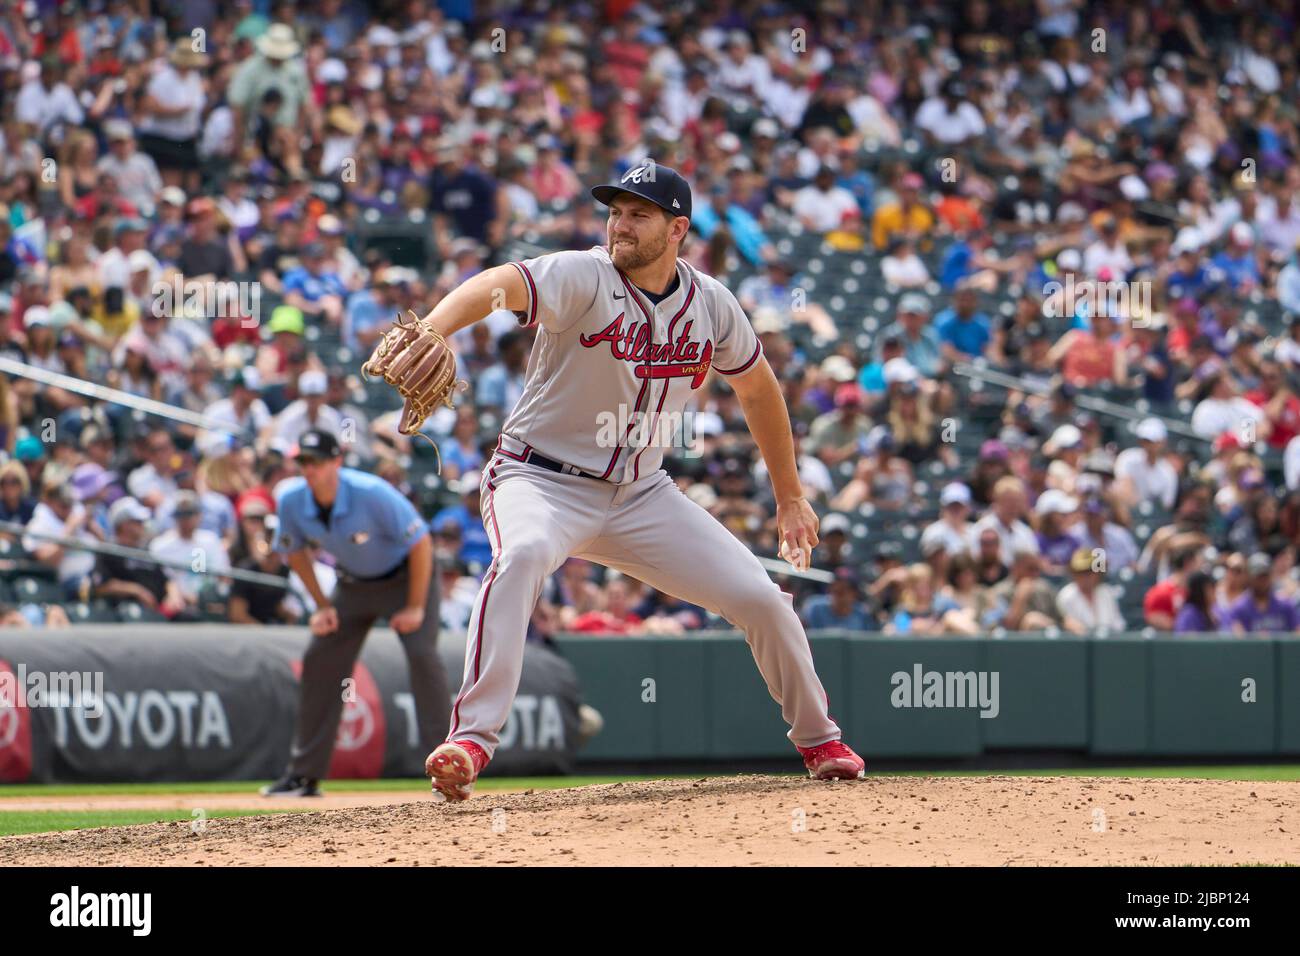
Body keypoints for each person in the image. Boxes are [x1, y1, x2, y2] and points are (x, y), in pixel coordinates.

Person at [413, 162, 865, 801]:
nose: (620, 225)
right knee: (522, 556)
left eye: (638, 214)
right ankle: (472, 740)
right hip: (539, 479)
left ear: (678, 229)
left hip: (641, 493)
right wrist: (434, 328)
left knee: (761, 598)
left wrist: (790, 495)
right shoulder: (582, 274)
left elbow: (759, 390)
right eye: (615, 212)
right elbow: (497, 284)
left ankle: (820, 740)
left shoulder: (710, 304)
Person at [263, 430, 448, 797]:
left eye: (315, 460)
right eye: (302, 461)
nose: (308, 468)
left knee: (423, 657)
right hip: (353, 586)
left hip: (407, 577)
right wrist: (322, 605)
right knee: (319, 660)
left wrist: (414, 606)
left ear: (337, 461)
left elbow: (421, 542)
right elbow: (294, 550)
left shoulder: (371, 491)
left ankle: (447, 771)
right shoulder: (291, 499)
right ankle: (303, 775)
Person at [1221, 552, 1300, 634]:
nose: (1262, 582)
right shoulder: (1238, 607)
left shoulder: (1285, 605)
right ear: (1249, 577)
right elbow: (1236, 638)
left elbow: (1297, 633)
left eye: (1265, 576)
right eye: (1258, 577)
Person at [1057, 547, 1126, 633]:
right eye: (1081, 572)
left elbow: (1119, 625)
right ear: (1074, 573)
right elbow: (1068, 628)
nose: (1086, 576)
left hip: (1109, 643)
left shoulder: (1106, 592)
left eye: (1090, 571)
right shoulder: (1066, 596)